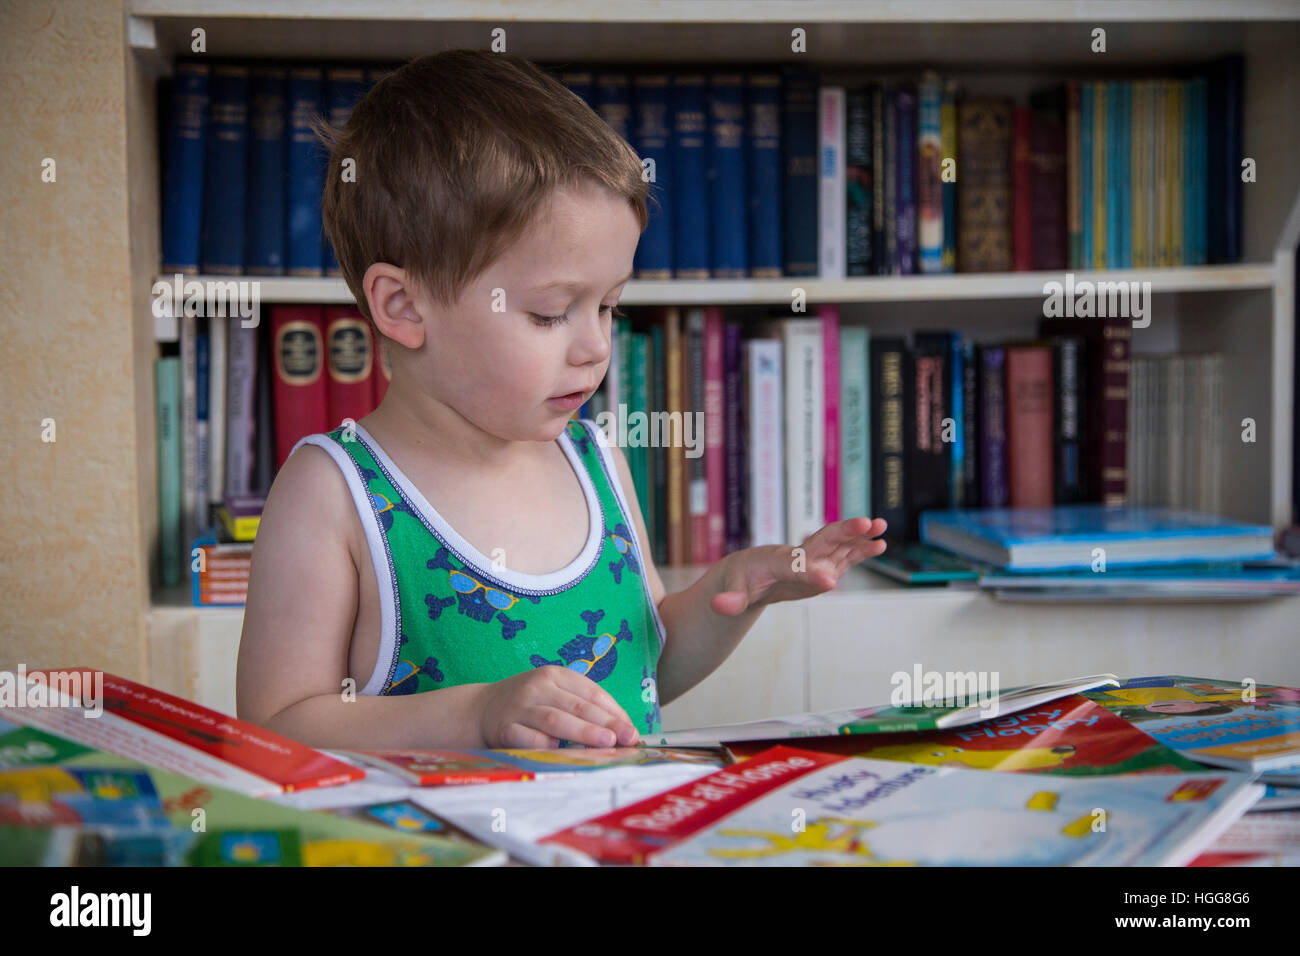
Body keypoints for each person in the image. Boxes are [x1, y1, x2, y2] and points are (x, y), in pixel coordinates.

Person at [235, 49, 888, 751]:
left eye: (609, 306)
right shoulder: (333, 491)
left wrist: (736, 594)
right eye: (550, 314)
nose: (595, 347)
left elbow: (637, 677)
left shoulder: (594, 460)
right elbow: (275, 727)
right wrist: (476, 717)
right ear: (403, 304)